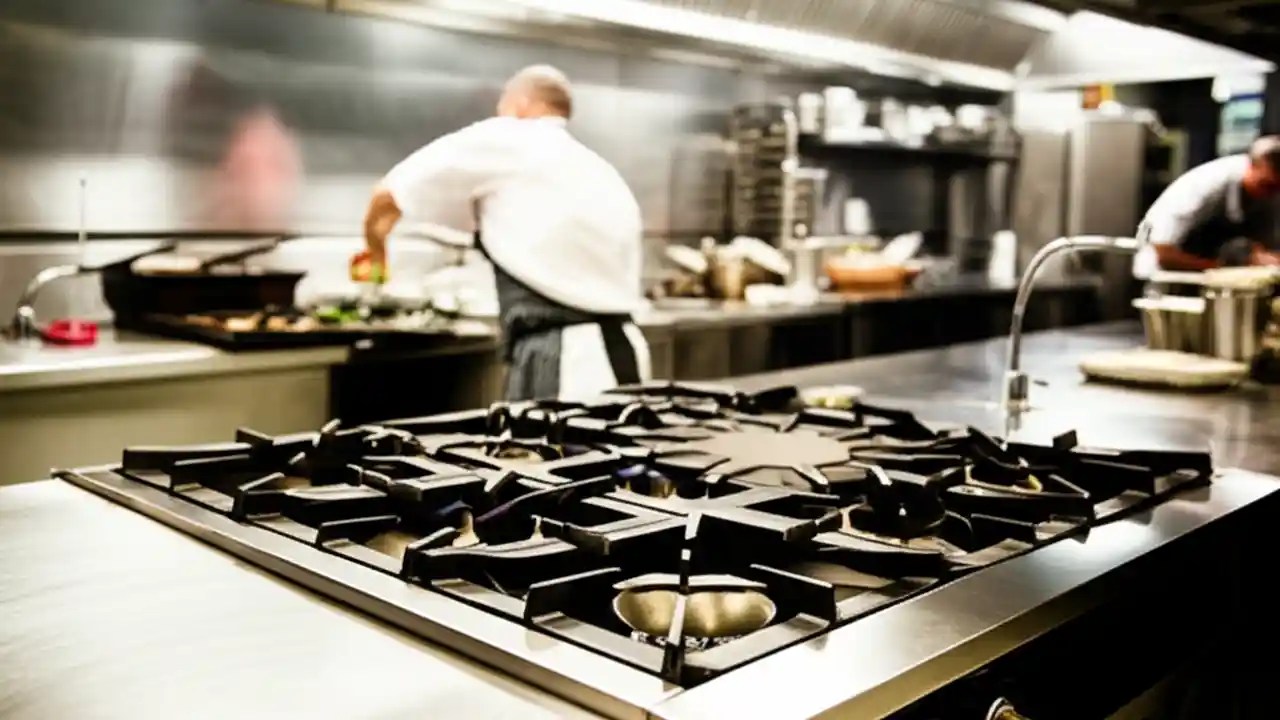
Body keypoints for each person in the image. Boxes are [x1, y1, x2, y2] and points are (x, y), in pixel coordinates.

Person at [356, 65, 650, 402]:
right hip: (623, 352)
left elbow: (387, 195)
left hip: (566, 361)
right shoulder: (596, 168)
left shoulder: (511, 136)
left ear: (520, 102)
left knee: (558, 455)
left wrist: (375, 253)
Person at [1137, 136, 1280, 271]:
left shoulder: (1269, 193)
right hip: (1163, 269)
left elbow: (1265, 248)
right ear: (1251, 166)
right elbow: (1162, 252)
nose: (1270, 194)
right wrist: (1221, 271)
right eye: (1266, 186)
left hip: (1213, 267)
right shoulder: (1205, 186)